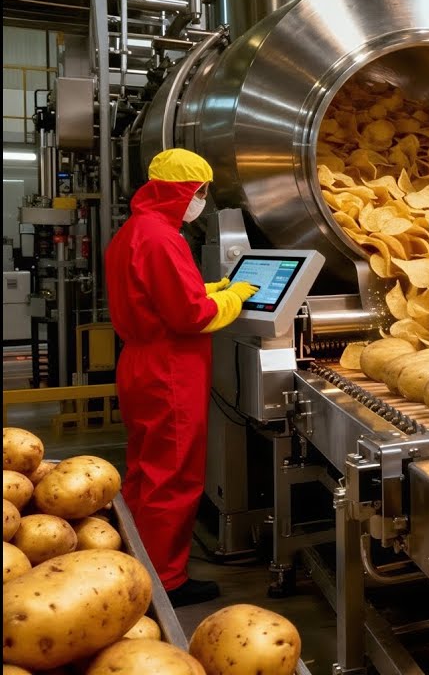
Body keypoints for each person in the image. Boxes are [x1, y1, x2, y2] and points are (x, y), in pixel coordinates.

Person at [105, 148, 258, 607]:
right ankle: (165, 582)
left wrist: (215, 287)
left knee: (145, 470)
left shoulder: (137, 231)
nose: (202, 201)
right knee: (173, 475)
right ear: (181, 191)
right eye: (199, 191)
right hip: (170, 371)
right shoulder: (162, 239)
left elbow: (158, 294)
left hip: (140, 361)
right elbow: (191, 316)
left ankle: (135, 561)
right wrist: (235, 299)